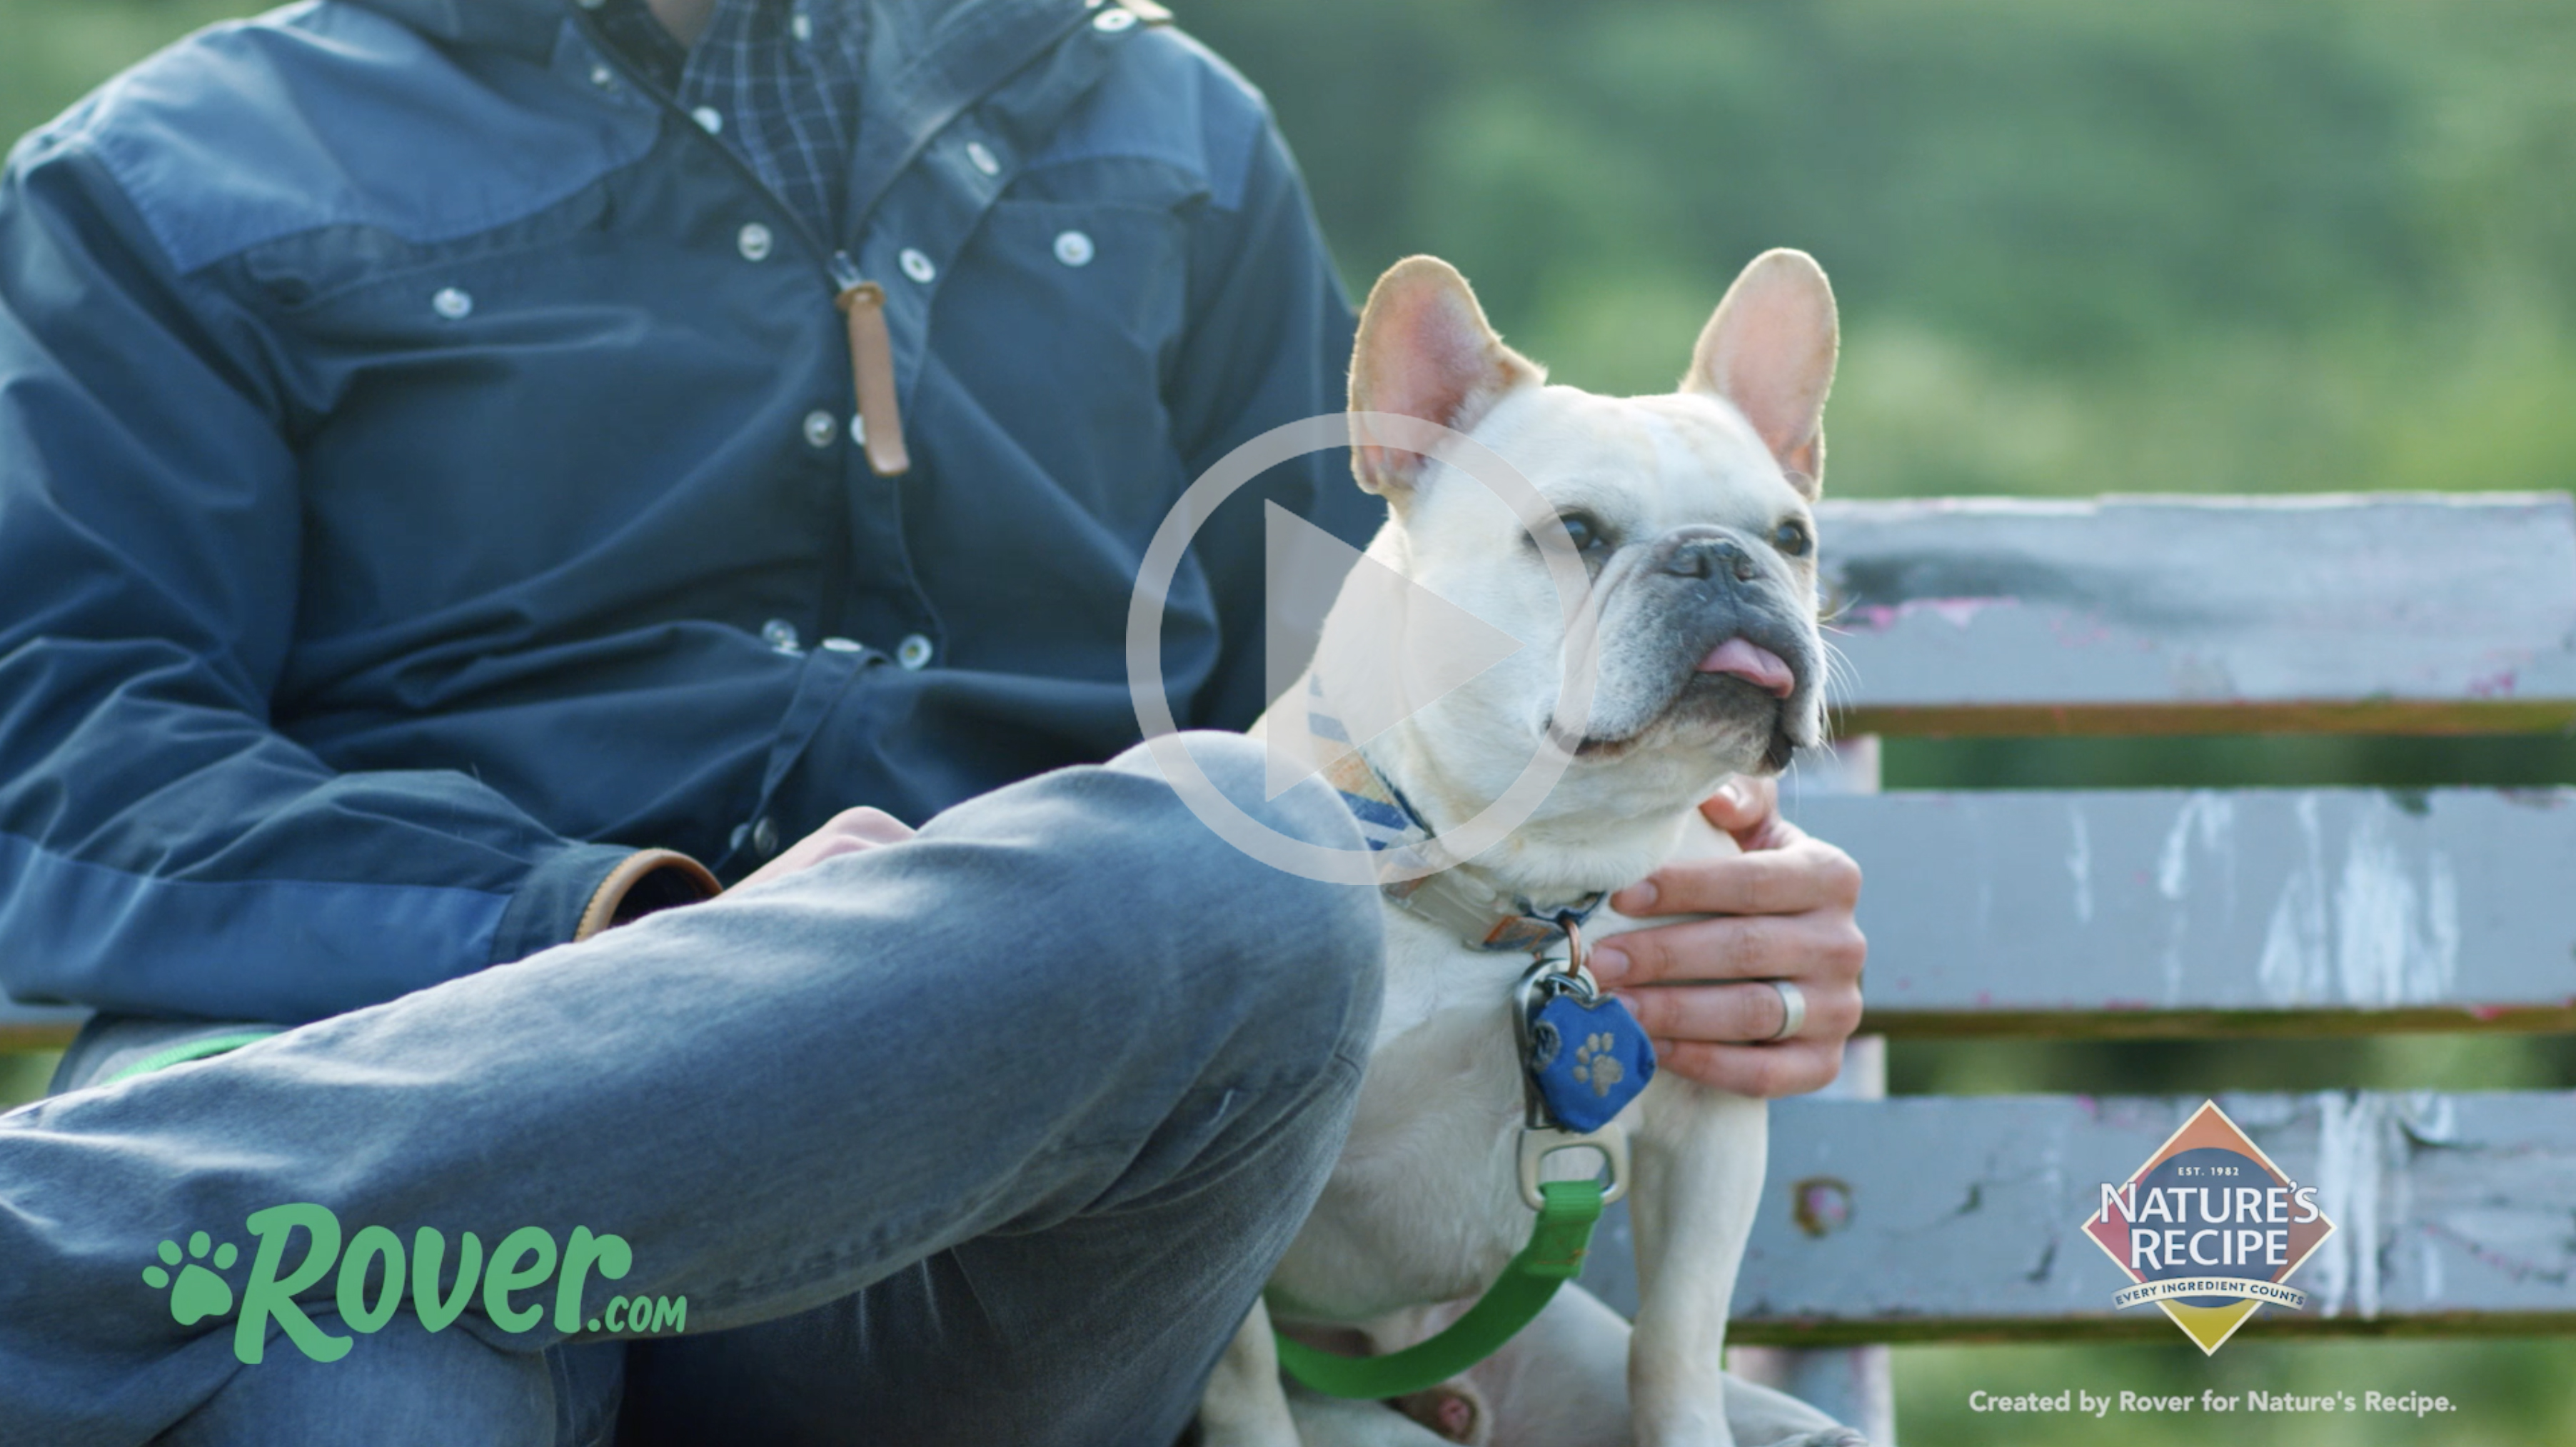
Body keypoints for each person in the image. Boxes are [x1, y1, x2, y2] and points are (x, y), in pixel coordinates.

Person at [0, 0, 1867, 1442]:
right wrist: (611, 927)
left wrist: (1640, 880)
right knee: (345, 1358)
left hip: (998, 1224)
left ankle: (68, 1239)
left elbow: (1374, 699)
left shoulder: (1168, 136)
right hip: (407, 1132)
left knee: (1231, 870)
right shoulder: (168, 179)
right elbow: (60, 765)